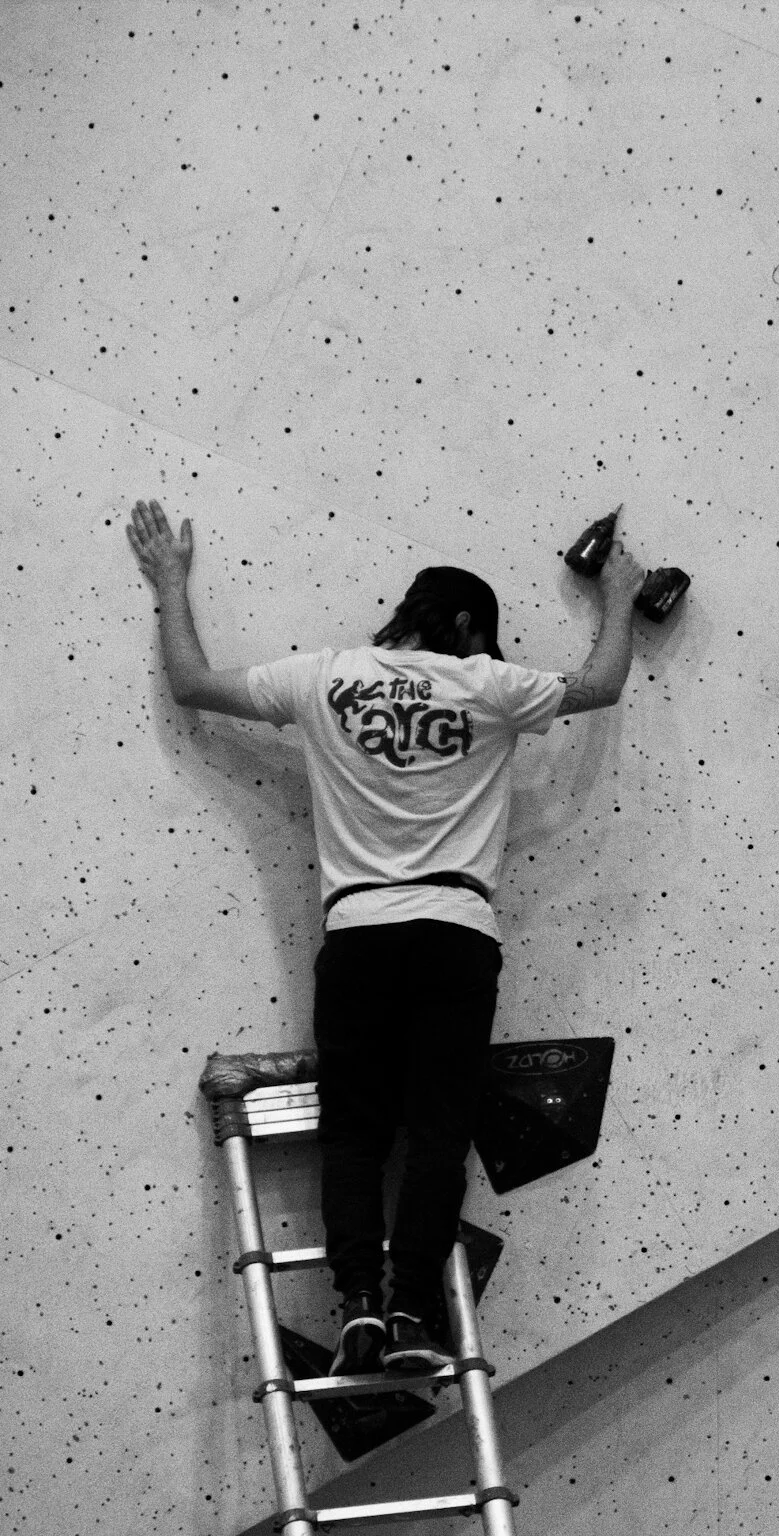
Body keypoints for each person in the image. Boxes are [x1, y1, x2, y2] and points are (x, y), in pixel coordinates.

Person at [126, 498, 645, 1374]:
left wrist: (172, 582)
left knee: (355, 1132)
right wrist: (620, 598)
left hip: (360, 931)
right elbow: (600, 685)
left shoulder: (324, 676)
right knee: (438, 1129)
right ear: (472, 625)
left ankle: (358, 1307)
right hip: (454, 932)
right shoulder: (489, 685)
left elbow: (193, 684)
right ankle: (412, 1314)